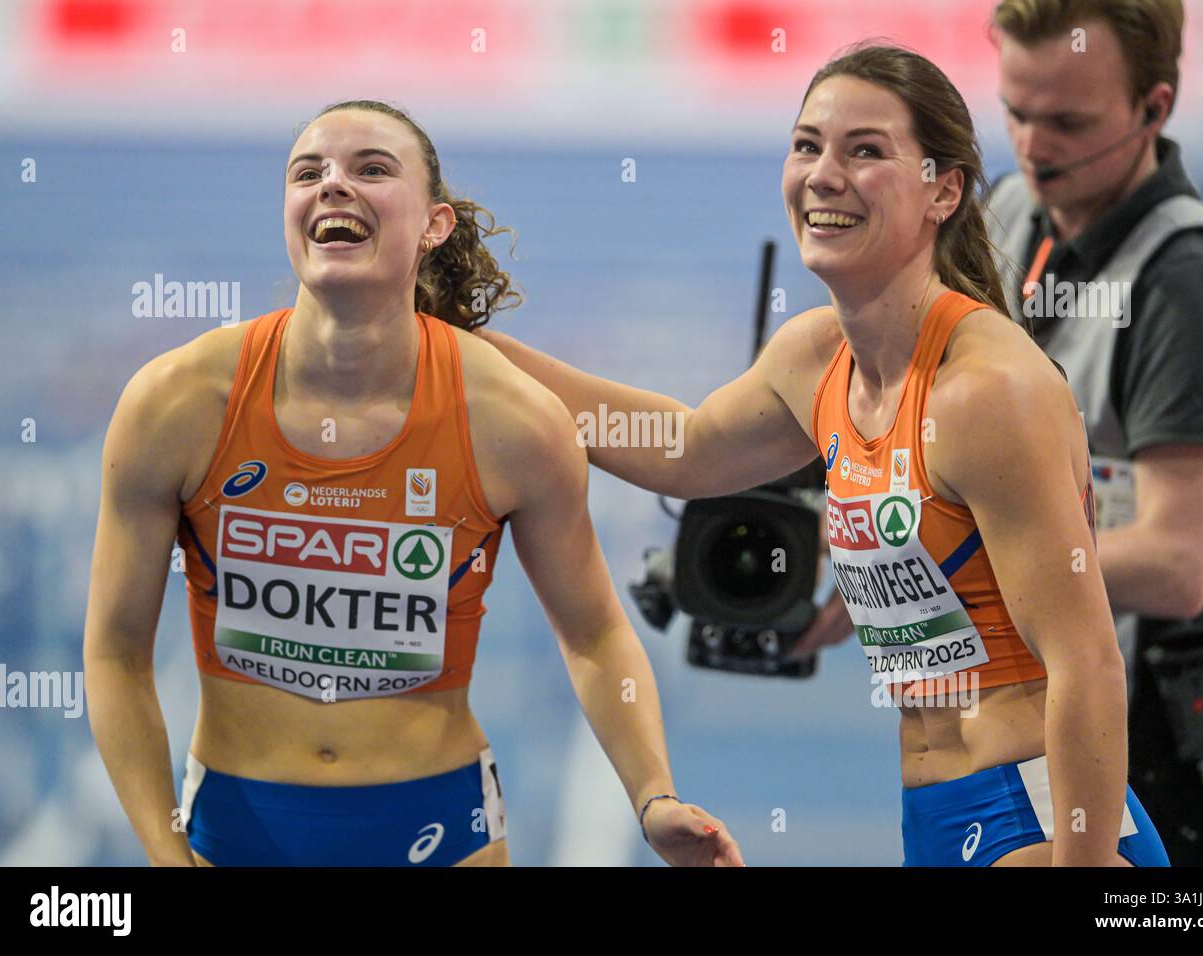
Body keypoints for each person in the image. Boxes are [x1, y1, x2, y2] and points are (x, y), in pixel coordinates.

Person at [480, 44, 1167, 866]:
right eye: (807, 146)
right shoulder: (816, 359)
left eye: (865, 151)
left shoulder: (987, 392)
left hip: (1042, 818)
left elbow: (1087, 660)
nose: (823, 174)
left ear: (942, 191)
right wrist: (474, 354)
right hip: (939, 811)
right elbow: (682, 449)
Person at [82, 99, 743, 868]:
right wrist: (166, 856)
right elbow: (114, 655)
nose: (333, 185)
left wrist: (652, 796)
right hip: (237, 828)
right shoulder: (175, 404)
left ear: (434, 225)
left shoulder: (511, 418)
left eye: (370, 169)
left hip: (439, 831)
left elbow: (594, 633)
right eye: (309, 173)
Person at [979, 0, 1203, 866]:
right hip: (1053, 694)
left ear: (1155, 106)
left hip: (1177, 730)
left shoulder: (1186, 279)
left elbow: (1178, 567)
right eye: (1017, 112)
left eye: (1069, 122)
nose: (1034, 147)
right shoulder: (1008, 213)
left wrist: (955, 564)